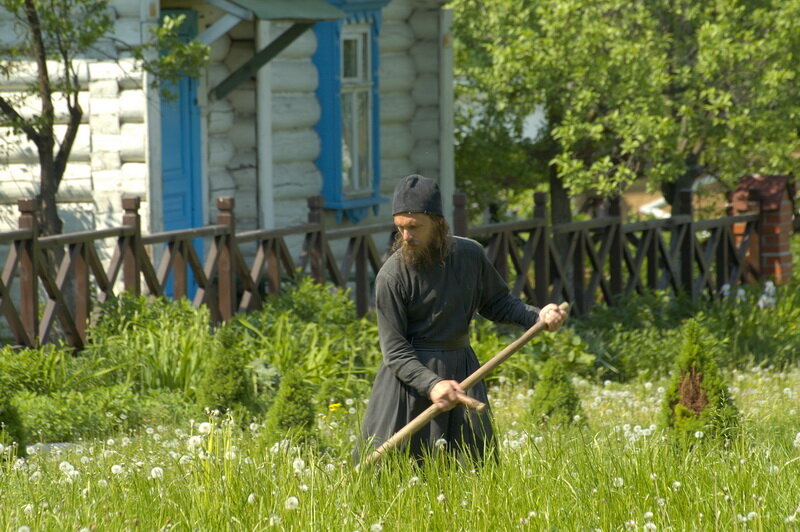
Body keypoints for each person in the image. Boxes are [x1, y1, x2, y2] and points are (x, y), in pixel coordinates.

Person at [356, 174, 567, 463]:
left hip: (463, 370)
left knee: (473, 467)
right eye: (400, 228)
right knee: (401, 472)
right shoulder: (391, 276)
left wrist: (537, 315)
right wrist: (432, 385)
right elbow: (394, 350)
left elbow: (497, 303)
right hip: (410, 380)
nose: (407, 237)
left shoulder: (470, 254)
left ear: (439, 224)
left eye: (415, 227)